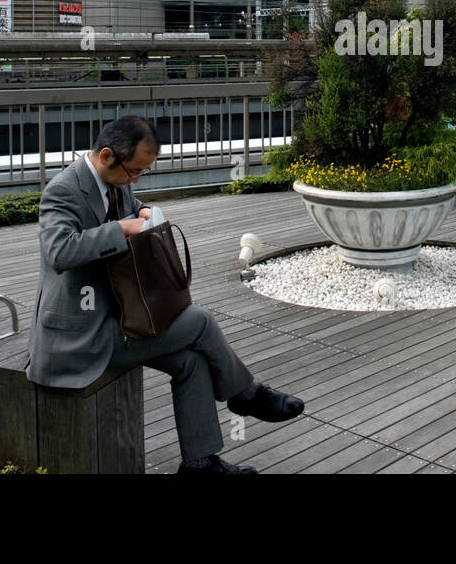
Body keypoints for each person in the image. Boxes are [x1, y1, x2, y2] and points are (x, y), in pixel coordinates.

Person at [28, 115, 304, 475]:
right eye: (134, 172)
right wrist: (121, 229)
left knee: (192, 362)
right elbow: (59, 251)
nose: (135, 180)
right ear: (107, 156)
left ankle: (200, 464)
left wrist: (141, 209)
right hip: (80, 337)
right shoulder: (63, 190)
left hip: (122, 317)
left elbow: (128, 200)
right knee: (200, 321)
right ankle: (247, 394)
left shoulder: (117, 180)